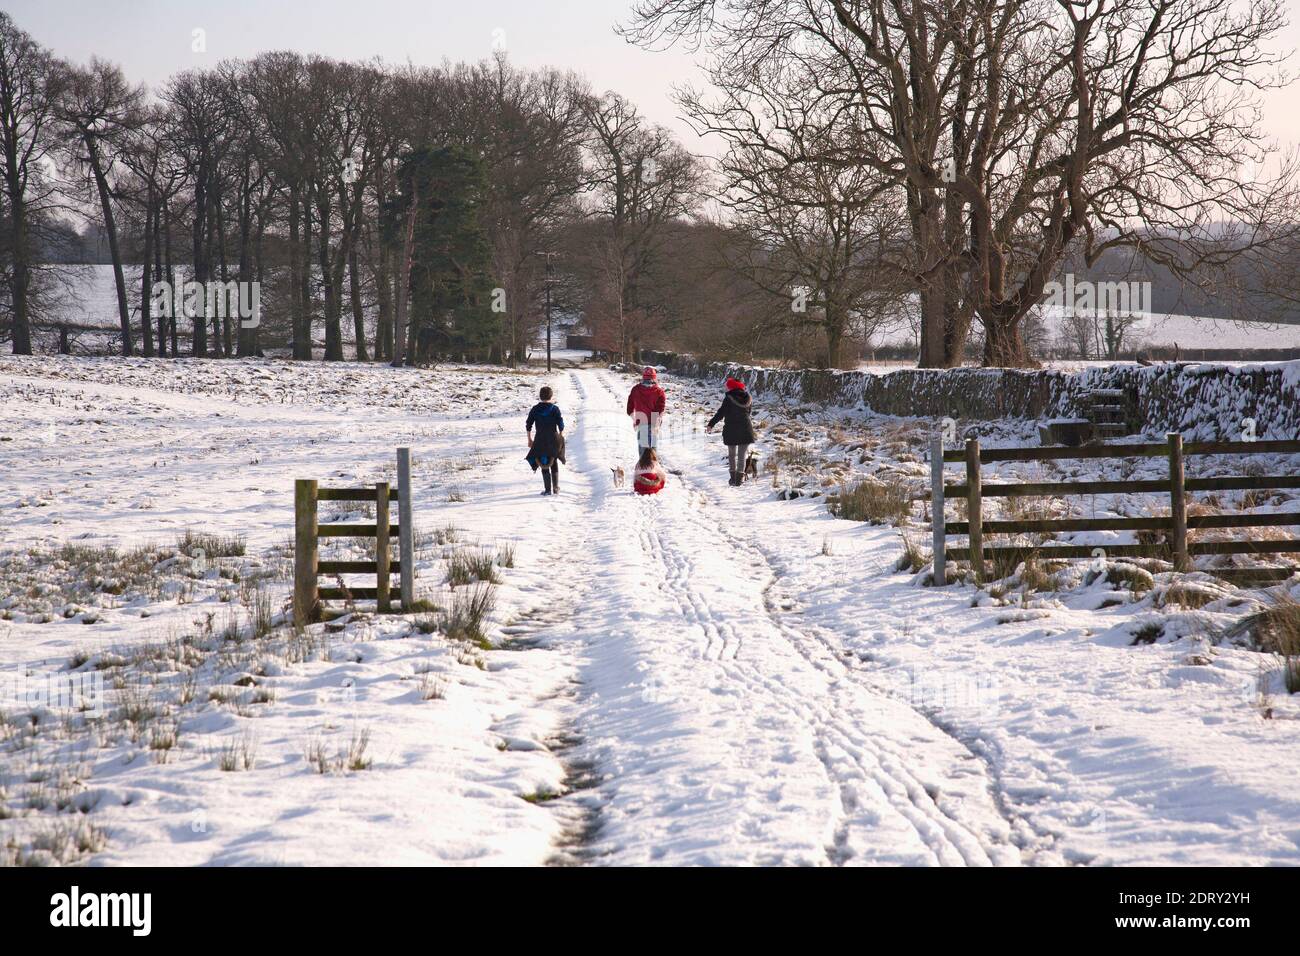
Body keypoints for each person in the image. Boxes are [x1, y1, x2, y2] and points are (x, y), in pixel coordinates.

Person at [706, 377, 758, 486]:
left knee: (732, 455)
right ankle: (739, 480)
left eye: (728, 386)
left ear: (731, 387)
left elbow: (721, 413)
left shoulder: (729, 398)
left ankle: (733, 479)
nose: (726, 388)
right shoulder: (748, 398)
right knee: (742, 455)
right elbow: (748, 413)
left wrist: (711, 424)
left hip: (732, 429)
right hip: (746, 428)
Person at [525, 385, 565, 495]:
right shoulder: (555, 409)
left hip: (540, 440)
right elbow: (561, 425)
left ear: (540, 396)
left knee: (543, 460)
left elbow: (529, 425)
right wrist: (560, 437)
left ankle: (547, 490)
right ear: (551, 396)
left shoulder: (535, 409)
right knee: (554, 460)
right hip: (553, 439)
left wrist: (529, 439)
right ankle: (556, 488)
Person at [626, 366, 666, 454]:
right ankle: (653, 466)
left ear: (643, 377)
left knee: (643, 454)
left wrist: (635, 419)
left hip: (641, 422)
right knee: (652, 452)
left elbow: (629, 409)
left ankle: (643, 466)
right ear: (654, 378)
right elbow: (660, 409)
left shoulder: (635, 390)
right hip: (654, 423)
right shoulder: (659, 392)